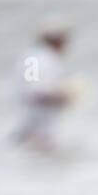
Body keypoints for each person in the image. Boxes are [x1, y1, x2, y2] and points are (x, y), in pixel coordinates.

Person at [15, 16, 77, 152]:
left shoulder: (48, 59)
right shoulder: (34, 60)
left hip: (46, 121)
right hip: (37, 121)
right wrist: (62, 96)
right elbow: (32, 92)